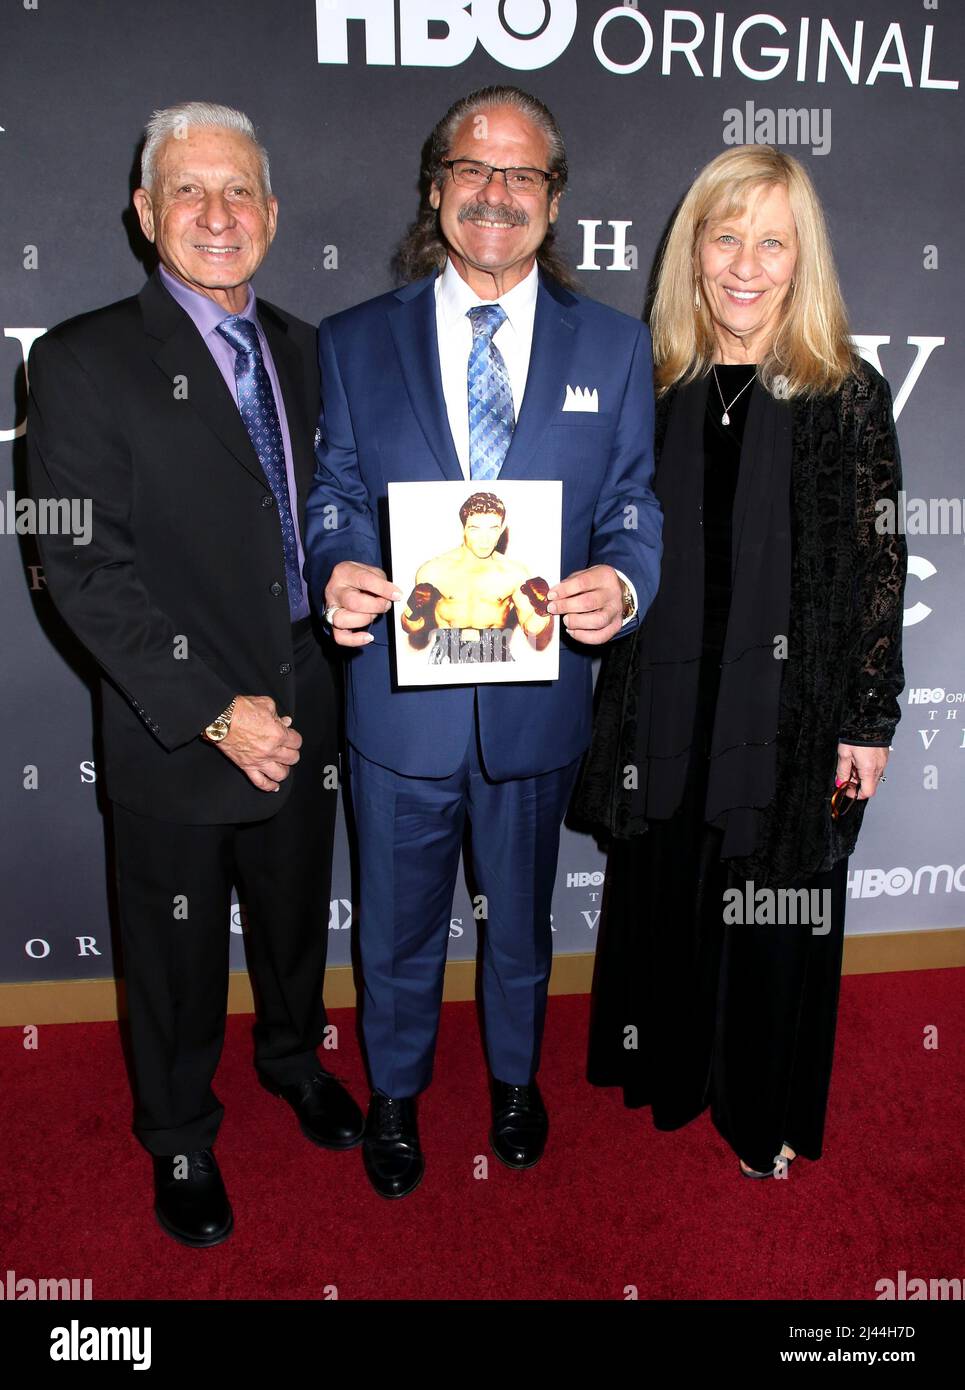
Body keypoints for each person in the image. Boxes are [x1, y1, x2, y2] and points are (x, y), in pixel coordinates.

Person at [304, 85, 661, 1199]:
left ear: (552, 203)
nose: (494, 194)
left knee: (517, 923)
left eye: (522, 176)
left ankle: (515, 1079)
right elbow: (334, 496)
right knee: (397, 932)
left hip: (534, 705)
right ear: (435, 187)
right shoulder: (354, 341)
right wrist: (335, 564)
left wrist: (623, 582)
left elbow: (633, 508)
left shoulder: (613, 342)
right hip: (396, 708)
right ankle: (397, 1097)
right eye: (473, 169)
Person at [26, 102, 362, 1247]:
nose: (216, 215)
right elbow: (80, 568)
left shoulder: (316, 354)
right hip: (175, 727)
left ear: (270, 215)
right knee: (171, 953)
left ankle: (289, 1060)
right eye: (188, 191)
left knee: (289, 923)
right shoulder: (79, 361)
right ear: (144, 212)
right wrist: (217, 711)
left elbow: (335, 519)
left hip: (310, 699)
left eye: (238, 193)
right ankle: (176, 1133)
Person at [571, 145, 906, 1178]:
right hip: (666, 710)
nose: (744, 263)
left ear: (801, 258)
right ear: (693, 250)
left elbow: (875, 567)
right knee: (670, 884)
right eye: (725, 237)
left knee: (771, 899)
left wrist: (866, 715)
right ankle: (670, 1069)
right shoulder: (652, 382)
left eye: (771, 240)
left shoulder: (843, 392)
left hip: (787, 716)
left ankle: (759, 1100)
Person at [401, 490, 553, 664]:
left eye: (493, 529)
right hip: (447, 651)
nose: (485, 539)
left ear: (502, 529)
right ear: (463, 527)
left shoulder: (514, 573)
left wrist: (542, 608)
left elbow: (532, 628)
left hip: (495, 650)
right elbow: (411, 628)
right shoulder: (433, 570)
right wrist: (412, 610)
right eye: (475, 529)